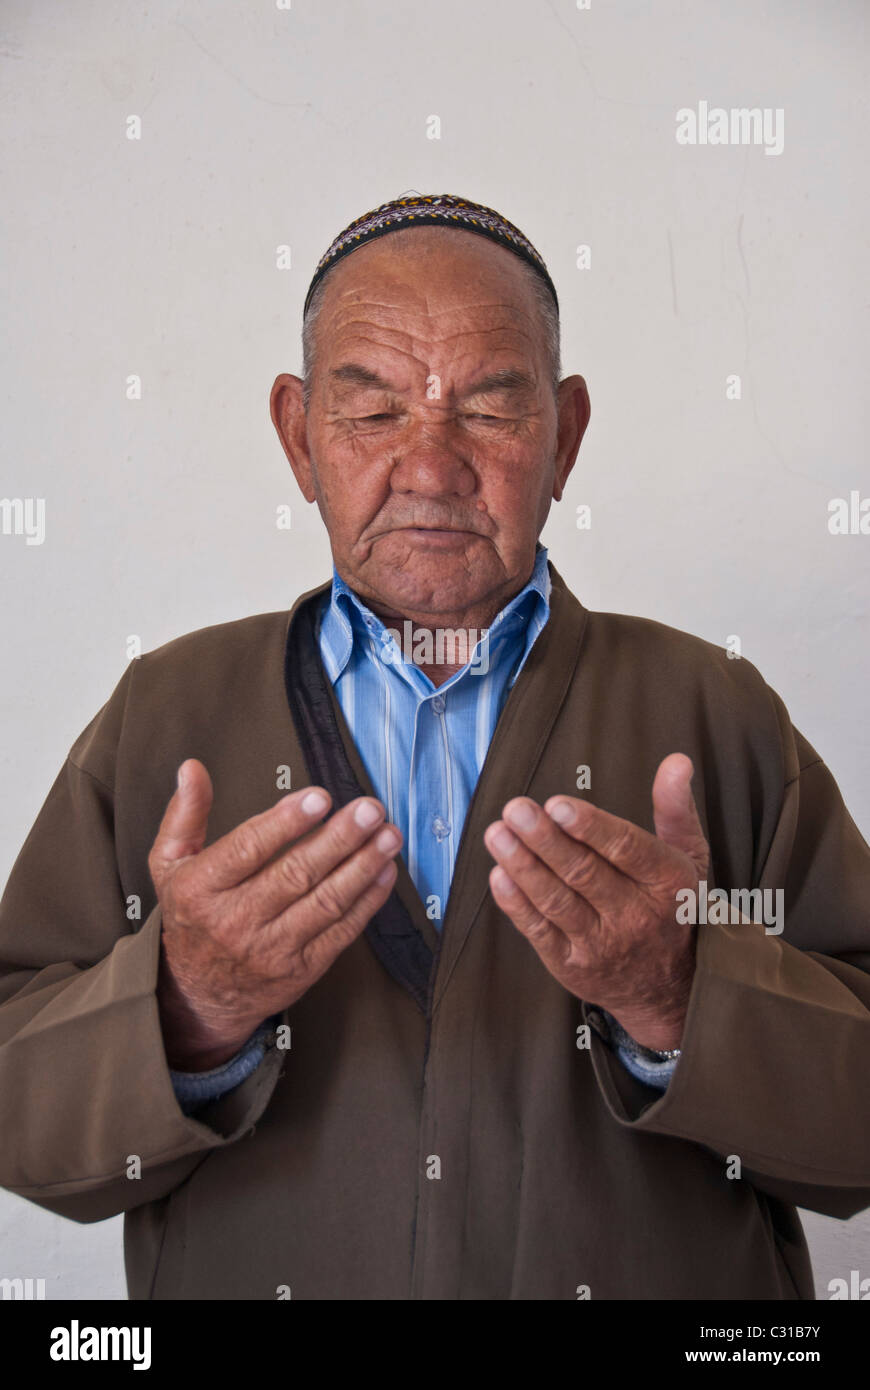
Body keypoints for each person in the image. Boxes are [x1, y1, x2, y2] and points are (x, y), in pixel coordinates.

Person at [0, 193, 868, 1301]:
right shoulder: (167, 719)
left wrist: (686, 996)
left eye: (490, 412)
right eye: (371, 415)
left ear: (567, 433)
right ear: (296, 435)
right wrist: (184, 1009)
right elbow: (20, 1114)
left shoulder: (715, 717)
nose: (430, 466)